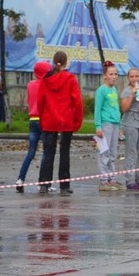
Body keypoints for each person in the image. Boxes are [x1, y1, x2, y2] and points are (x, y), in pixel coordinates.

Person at [37, 51, 84, 195]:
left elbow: (40, 101)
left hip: (50, 120)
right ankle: (64, 186)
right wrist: (77, 121)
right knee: (64, 153)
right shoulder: (70, 79)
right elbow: (77, 102)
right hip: (66, 121)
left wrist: (42, 119)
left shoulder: (45, 80)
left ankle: (44, 185)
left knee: (48, 153)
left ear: (53, 61)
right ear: (65, 62)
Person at [15, 61, 52, 192]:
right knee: (47, 153)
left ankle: (20, 179)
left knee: (31, 152)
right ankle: (43, 182)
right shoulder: (47, 85)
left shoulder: (30, 85)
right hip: (44, 120)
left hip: (32, 120)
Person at [93, 61, 122, 191]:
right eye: (111, 74)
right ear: (105, 75)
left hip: (115, 124)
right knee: (104, 152)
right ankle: (104, 181)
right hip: (106, 124)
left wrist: (120, 125)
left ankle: (112, 179)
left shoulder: (115, 89)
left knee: (113, 152)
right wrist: (98, 126)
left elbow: (117, 108)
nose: (114, 76)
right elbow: (97, 109)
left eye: (115, 74)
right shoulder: (101, 90)